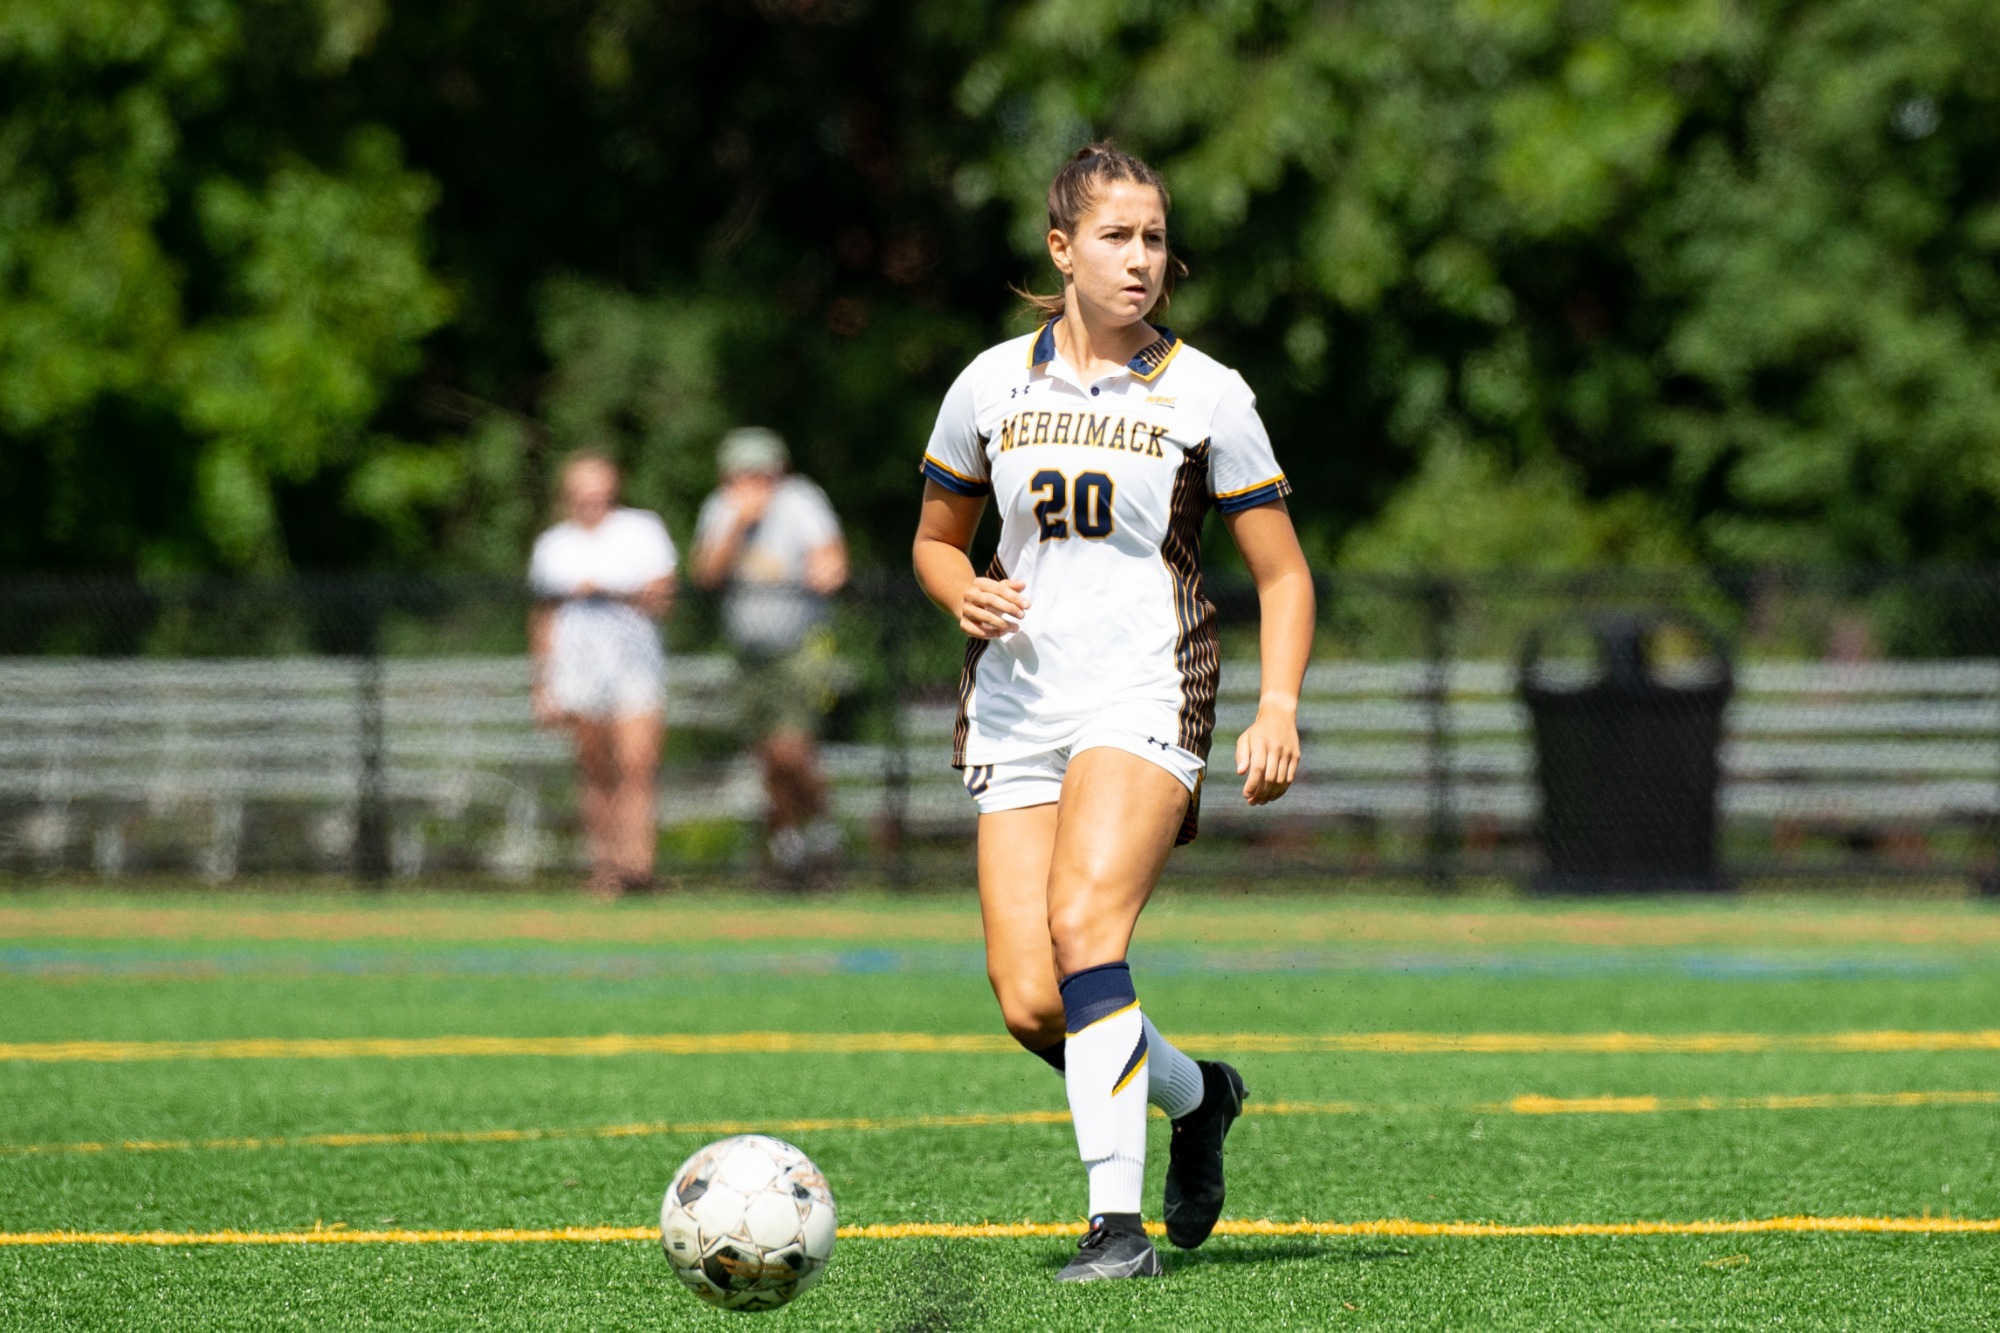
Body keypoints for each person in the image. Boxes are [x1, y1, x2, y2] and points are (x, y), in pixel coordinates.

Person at [911, 143, 1314, 1282]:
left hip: (1145, 689)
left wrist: (1275, 703)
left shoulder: (1207, 392)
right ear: (1061, 249)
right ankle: (1199, 1098)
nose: (1141, 260)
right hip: (1017, 700)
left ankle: (1114, 1227)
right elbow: (934, 543)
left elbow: (1282, 574)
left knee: (1087, 936)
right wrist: (961, 589)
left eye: (1153, 239)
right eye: (1115, 237)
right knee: (1031, 998)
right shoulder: (989, 383)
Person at [691, 427, 850, 880]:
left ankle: (821, 834)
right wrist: (739, 524)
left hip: (798, 646)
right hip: (748, 653)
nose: (752, 482)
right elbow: (705, 576)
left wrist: (828, 568)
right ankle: (790, 849)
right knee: (767, 758)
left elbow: (831, 558)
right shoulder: (720, 509)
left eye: (761, 473)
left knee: (791, 749)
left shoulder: (801, 501)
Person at [528, 453, 677, 898]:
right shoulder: (553, 545)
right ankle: (606, 869)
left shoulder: (642, 530)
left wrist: (611, 593)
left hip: (635, 667)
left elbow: (664, 595)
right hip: (577, 671)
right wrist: (543, 681)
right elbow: (543, 617)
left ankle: (639, 867)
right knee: (595, 773)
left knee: (637, 766)